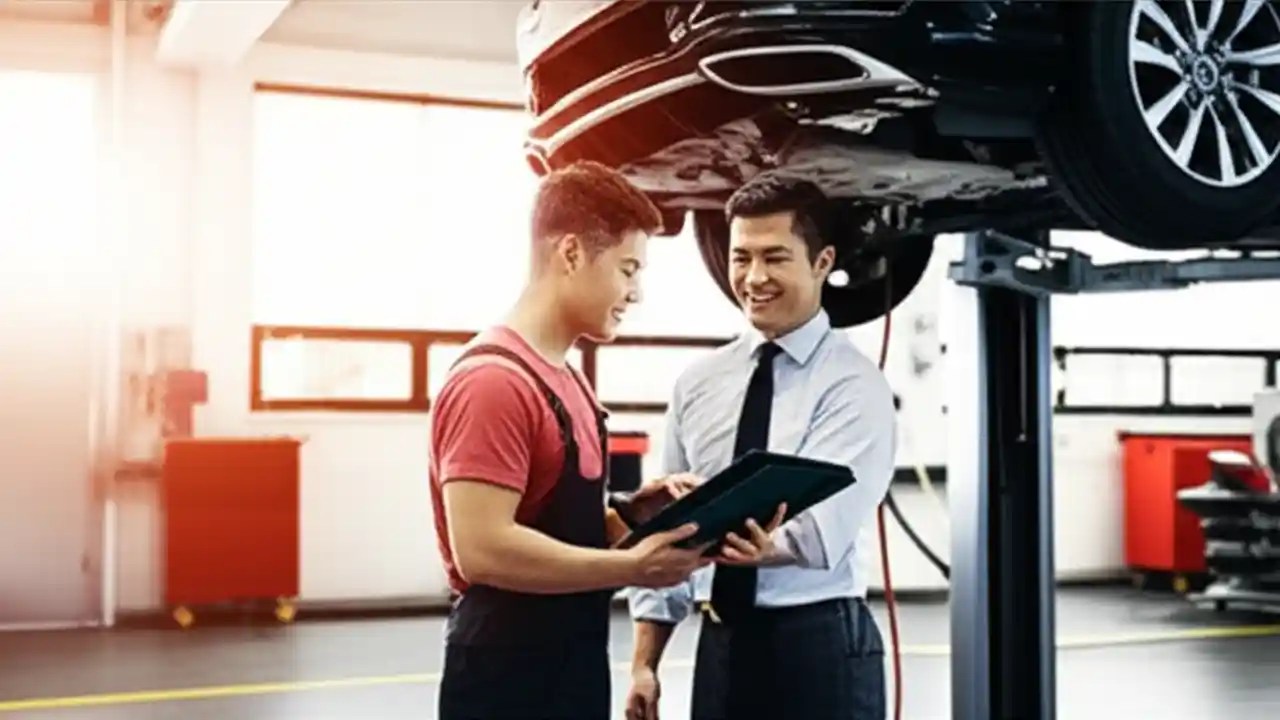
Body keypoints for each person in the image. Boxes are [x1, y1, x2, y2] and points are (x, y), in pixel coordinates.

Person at [429, 161, 717, 720]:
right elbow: (483, 548)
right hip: (505, 674)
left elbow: (562, 532)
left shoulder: (570, 381)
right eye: (628, 269)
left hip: (570, 663)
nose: (636, 293)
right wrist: (634, 569)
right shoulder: (493, 382)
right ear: (571, 254)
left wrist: (635, 517)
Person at [625, 175, 898, 720]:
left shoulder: (854, 385)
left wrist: (761, 547)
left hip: (818, 643)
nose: (754, 278)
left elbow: (824, 528)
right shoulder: (700, 382)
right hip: (722, 643)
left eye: (775, 258)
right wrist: (644, 664)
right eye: (741, 257)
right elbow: (667, 531)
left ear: (822, 262)